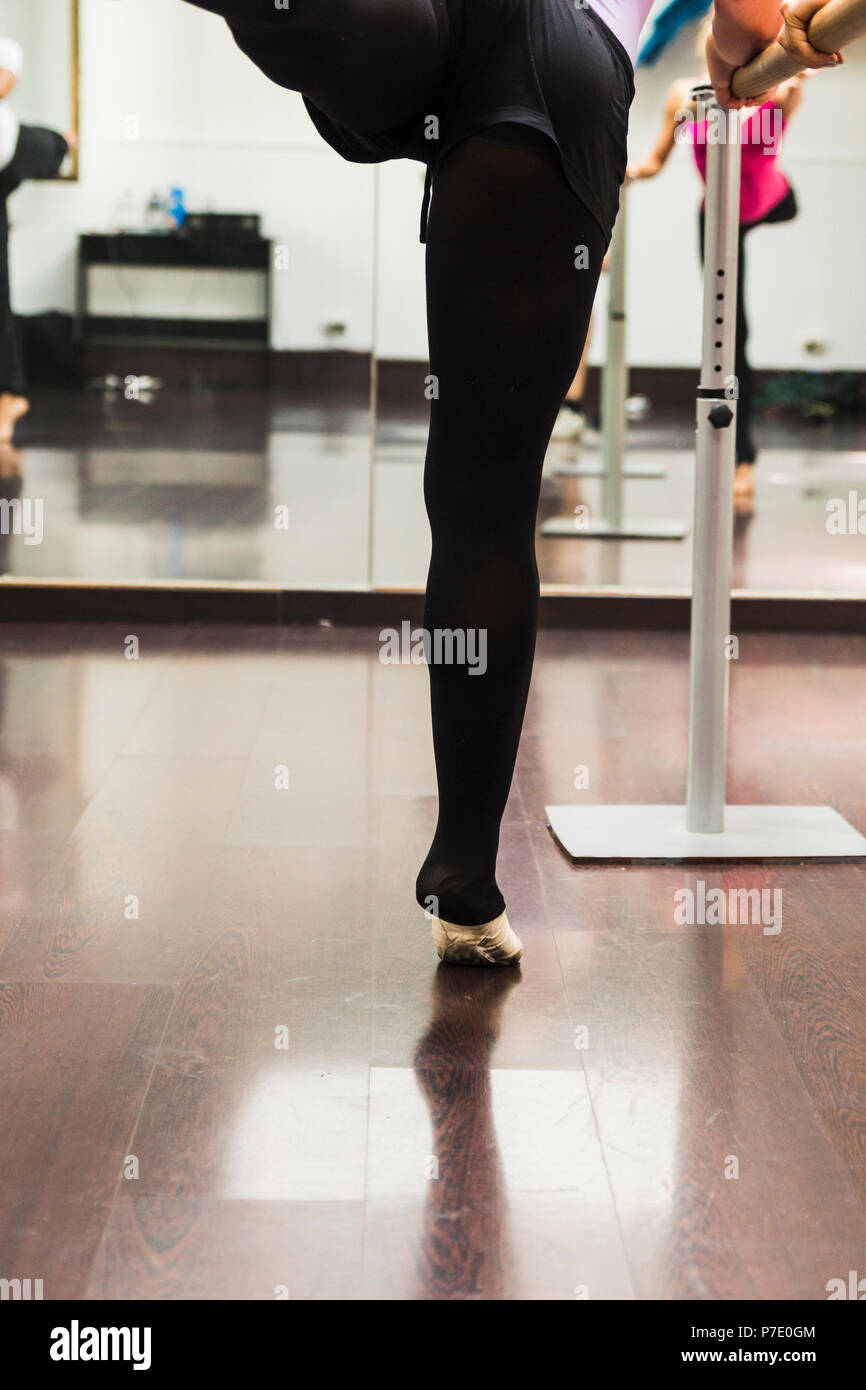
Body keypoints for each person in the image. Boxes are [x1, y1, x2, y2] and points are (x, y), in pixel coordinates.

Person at [179, 0, 840, 965]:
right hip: (553, 75)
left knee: (305, 21)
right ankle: (465, 873)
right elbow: (740, 21)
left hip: (433, 28)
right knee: (481, 507)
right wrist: (773, 50)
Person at [629, 20, 809, 496]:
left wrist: (792, 80)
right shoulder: (685, 96)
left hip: (770, 199)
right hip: (719, 213)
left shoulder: (778, 90)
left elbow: (784, 98)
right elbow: (652, 162)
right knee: (732, 333)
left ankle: (743, 460)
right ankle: (741, 457)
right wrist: (615, 172)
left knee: (782, 200)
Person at [0, 36, 74, 443]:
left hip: (8, 153)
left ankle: (9, 395)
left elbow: (5, 75)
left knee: (49, 145)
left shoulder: (6, 50)